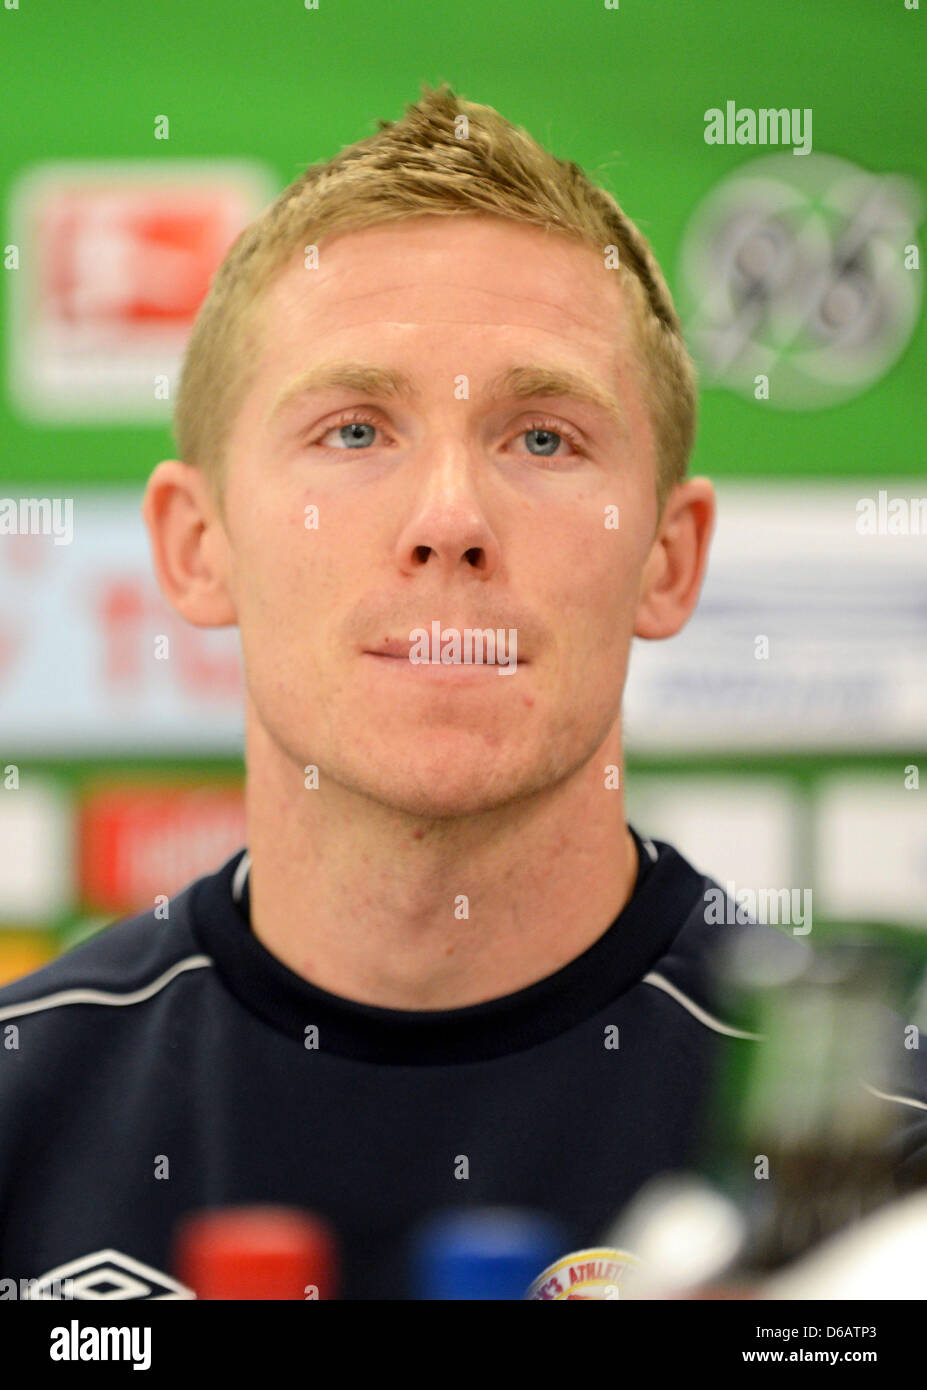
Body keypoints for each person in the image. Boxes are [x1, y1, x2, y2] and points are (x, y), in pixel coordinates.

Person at [1, 83, 924, 1302]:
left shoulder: (877, 1165)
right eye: (354, 430)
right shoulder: (20, 1108)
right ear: (195, 543)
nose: (450, 521)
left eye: (542, 437)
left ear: (668, 557)